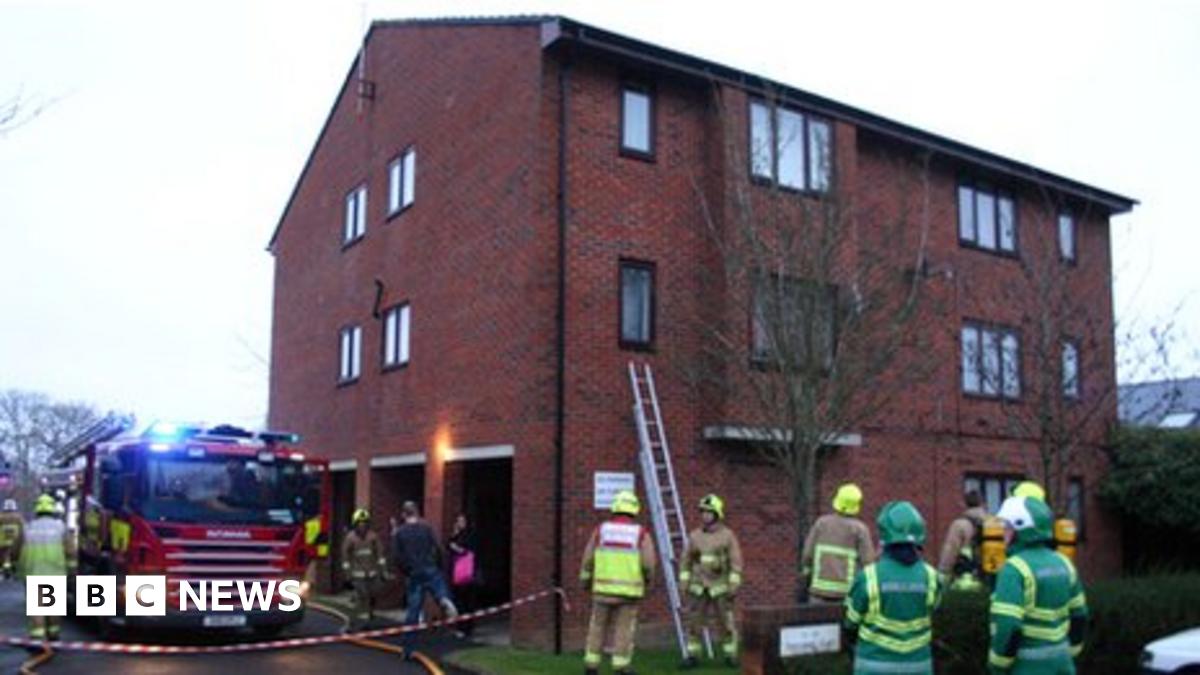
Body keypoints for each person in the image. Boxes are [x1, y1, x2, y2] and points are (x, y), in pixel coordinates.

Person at [987, 495, 1088, 674]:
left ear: (1020, 528)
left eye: (1007, 526)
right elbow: (1080, 615)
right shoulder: (1065, 563)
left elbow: (1008, 625)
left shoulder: (1014, 568)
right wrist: (1070, 652)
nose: (1003, 532)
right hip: (1063, 664)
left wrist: (997, 665)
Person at [844, 501, 941, 674]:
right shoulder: (931, 576)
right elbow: (933, 611)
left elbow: (850, 622)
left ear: (884, 537)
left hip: (874, 665)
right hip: (919, 665)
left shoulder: (868, 577)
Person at [580, 490, 656, 675]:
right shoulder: (641, 533)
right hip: (628, 593)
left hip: (602, 591)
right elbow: (648, 563)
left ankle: (591, 666)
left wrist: (585, 581)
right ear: (634, 510)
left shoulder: (601, 530)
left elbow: (587, 559)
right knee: (623, 630)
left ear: (615, 508)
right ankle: (620, 668)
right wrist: (648, 582)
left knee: (597, 627)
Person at [679, 493, 743, 669]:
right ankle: (693, 656)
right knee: (694, 623)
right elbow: (686, 561)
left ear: (717, 514)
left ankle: (731, 655)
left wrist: (733, 585)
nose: (705, 515)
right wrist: (684, 582)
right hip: (698, 587)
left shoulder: (728, 536)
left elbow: (736, 562)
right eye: (703, 512)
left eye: (709, 512)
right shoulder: (694, 536)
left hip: (720, 587)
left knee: (726, 624)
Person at [393, 501, 458, 657]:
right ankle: (443, 599)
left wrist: (406, 571)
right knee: (439, 586)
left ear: (404, 514)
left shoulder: (400, 533)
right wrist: (440, 566)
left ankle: (407, 650)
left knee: (413, 612)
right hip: (430, 567)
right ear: (418, 513)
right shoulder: (426, 528)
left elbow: (397, 557)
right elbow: (438, 548)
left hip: (413, 573)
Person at [801, 483, 875, 604]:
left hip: (818, 593)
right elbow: (868, 562)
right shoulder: (860, 529)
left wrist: (806, 573)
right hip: (847, 595)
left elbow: (807, 554)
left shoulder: (821, 524)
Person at [16, 495, 70, 641]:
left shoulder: (28, 527)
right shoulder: (60, 526)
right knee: (53, 606)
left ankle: (37, 637)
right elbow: (69, 549)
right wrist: (71, 568)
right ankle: (54, 634)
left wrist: (16, 566)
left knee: (38, 607)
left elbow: (17, 548)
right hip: (56, 571)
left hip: (34, 571)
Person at [341, 508, 389, 630]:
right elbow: (345, 557)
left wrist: (383, 571)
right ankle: (356, 623)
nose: (362, 526)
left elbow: (380, 555)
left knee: (372, 596)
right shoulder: (350, 538)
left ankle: (368, 618)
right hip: (357, 576)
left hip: (372, 574)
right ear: (355, 524)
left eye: (365, 523)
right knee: (362, 597)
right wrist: (347, 574)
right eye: (359, 523)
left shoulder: (373, 537)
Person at [937, 490, 989, 591]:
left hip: (965, 580)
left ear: (965, 504)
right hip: (989, 579)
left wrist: (942, 573)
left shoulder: (959, 525)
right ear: (983, 504)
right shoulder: (994, 524)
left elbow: (950, 551)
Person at [447, 513, 478, 637]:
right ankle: (460, 626)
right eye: (458, 521)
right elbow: (448, 545)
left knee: (466, 602)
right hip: (456, 573)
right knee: (458, 601)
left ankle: (467, 628)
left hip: (467, 574)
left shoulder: (470, 536)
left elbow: (469, 551)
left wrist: (457, 548)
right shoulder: (457, 535)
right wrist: (454, 534)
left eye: (462, 521)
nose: (460, 523)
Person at [0, 499, 23, 579]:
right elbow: (22, 529)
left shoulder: (1, 517)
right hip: (16, 543)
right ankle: (13, 569)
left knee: (5, 557)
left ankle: (6, 569)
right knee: (15, 558)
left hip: (3, 542)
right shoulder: (19, 518)